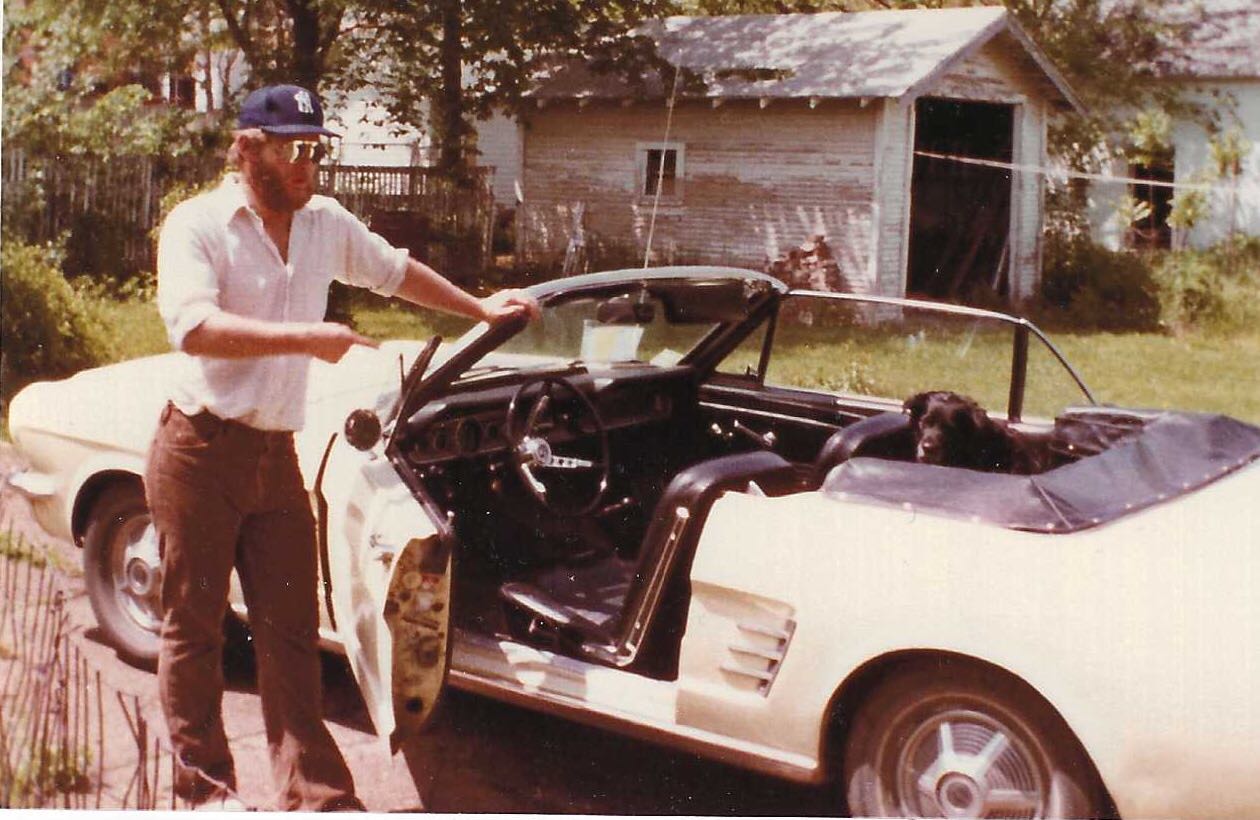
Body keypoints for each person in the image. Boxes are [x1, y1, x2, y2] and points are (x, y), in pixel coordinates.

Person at [146, 84, 538, 811]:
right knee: (195, 630)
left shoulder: (324, 222)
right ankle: (203, 793)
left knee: (292, 633)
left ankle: (317, 797)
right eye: (293, 148)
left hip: (274, 458)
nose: (307, 163)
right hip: (198, 452)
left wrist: (481, 308)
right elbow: (193, 329)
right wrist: (310, 339)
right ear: (248, 149)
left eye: (317, 149)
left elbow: (394, 271)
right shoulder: (197, 224)